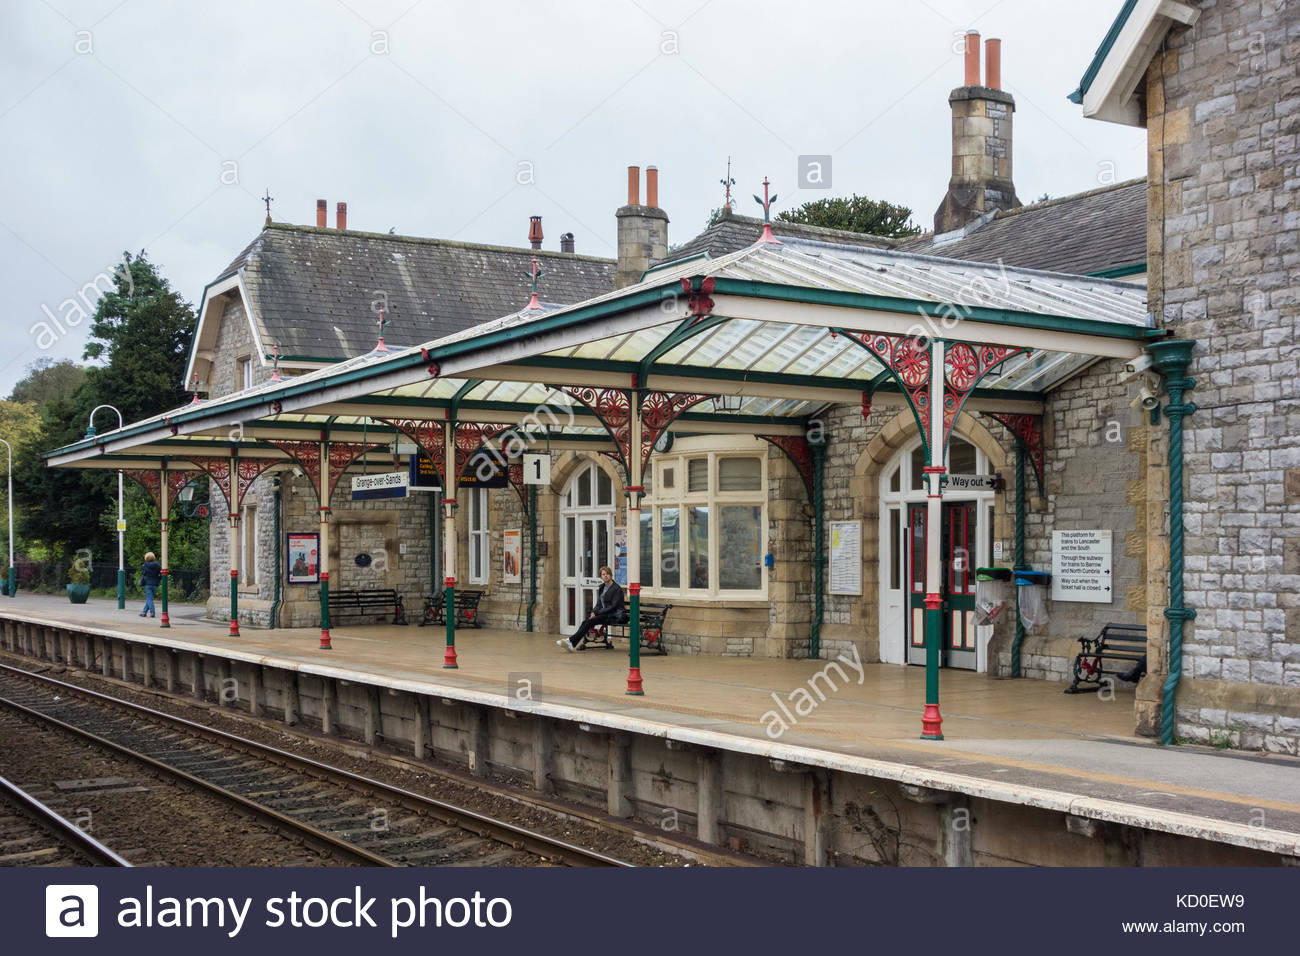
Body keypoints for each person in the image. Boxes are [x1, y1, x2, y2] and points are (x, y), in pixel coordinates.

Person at [558, 565, 623, 651]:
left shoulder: (617, 589)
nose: (605, 576)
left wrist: (598, 613)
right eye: (603, 574)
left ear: (611, 575)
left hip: (613, 615)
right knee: (586, 621)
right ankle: (571, 643)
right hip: (604, 614)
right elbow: (599, 603)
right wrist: (594, 612)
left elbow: (613, 606)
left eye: (607, 574)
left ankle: (570, 641)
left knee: (589, 621)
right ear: (601, 576)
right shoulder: (602, 587)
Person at [138, 551, 162, 618]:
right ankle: (144, 612)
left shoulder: (144, 565)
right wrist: (159, 579)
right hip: (155, 584)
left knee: (149, 599)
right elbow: (161, 573)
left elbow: (143, 573)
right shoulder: (157, 565)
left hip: (148, 584)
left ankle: (152, 612)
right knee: (150, 599)